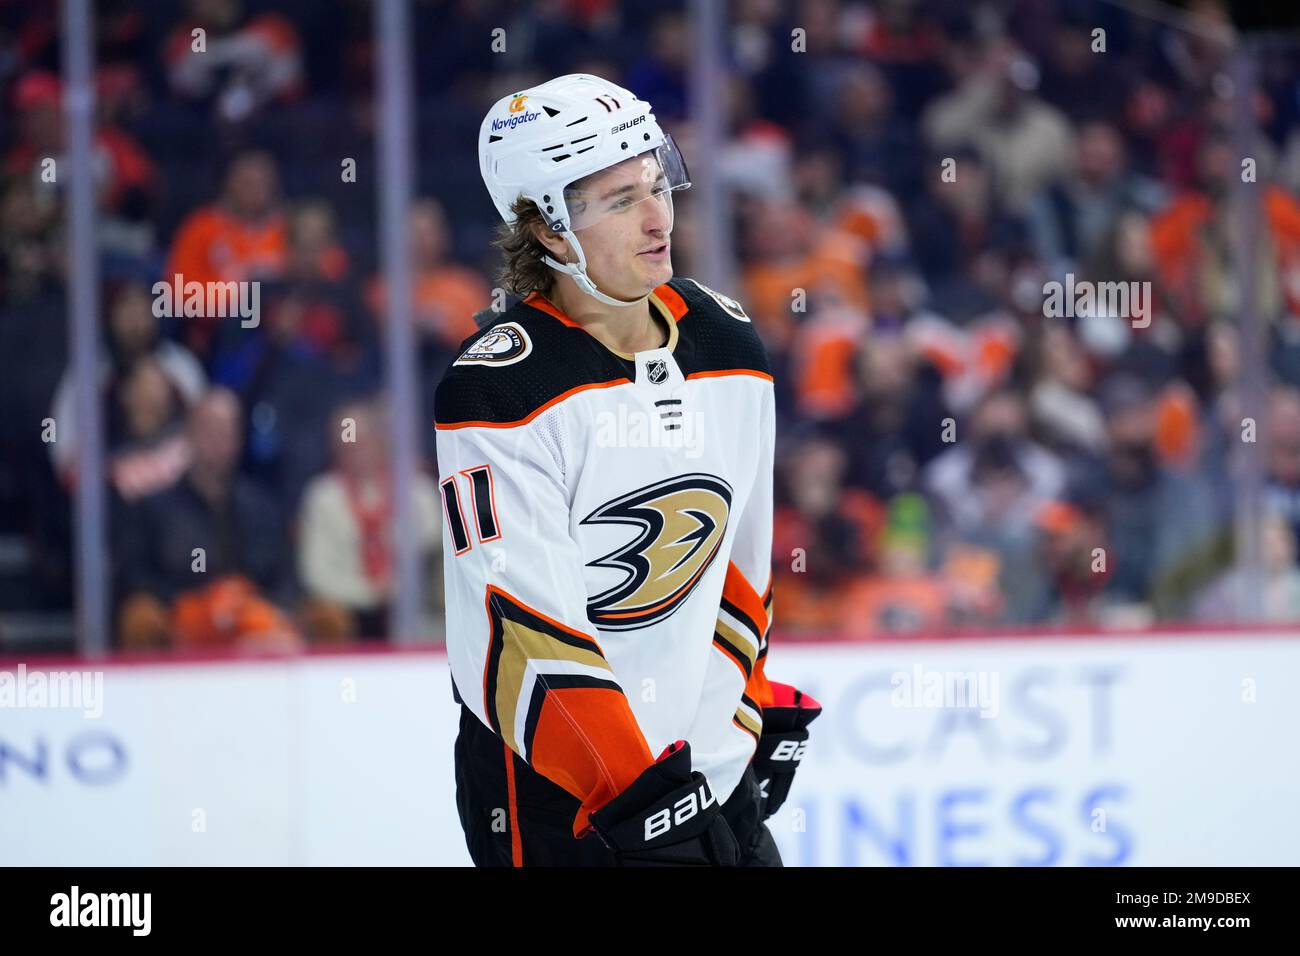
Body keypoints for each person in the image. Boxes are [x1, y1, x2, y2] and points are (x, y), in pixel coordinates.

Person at [438, 74, 820, 867]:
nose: (658, 219)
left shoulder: (727, 344)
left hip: (694, 775)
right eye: (618, 201)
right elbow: (523, 635)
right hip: (561, 801)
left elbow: (738, 570)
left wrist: (734, 730)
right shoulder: (502, 387)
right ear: (546, 230)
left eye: (657, 184)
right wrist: (640, 799)